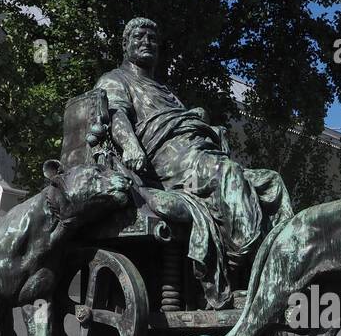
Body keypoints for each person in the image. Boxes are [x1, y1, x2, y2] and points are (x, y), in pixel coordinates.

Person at [93, 18, 291, 307]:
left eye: (153, 38)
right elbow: (117, 117)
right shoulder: (115, 79)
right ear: (125, 45)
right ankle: (239, 272)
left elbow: (178, 122)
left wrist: (194, 117)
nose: (147, 42)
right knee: (227, 174)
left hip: (195, 154)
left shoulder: (165, 90)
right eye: (139, 37)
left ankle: (281, 262)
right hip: (161, 163)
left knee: (269, 182)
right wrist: (131, 146)